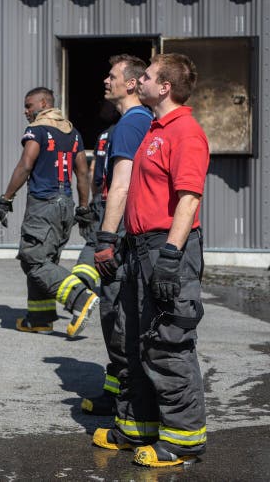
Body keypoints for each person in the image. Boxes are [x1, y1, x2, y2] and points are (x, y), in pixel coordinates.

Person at [92, 53, 209, 468]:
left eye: (148, 75)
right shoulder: (154, 128)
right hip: (141, 246)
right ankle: (138, 426)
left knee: (168, 343)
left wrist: (172, 255)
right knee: (139, 339)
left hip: (166, 245)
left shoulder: (186, 132)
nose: (139, 79)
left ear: (165, 87)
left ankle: (183, 441)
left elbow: (189, 198)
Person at [80, 55, 153, 416]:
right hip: (125, 226)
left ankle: (130, 400)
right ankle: (117, 391)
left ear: (131, 83)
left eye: (112, 77)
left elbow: (120, 188)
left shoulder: (131, 124)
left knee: (117, 313)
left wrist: (106, 239)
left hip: (122, 229)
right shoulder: (134, 122)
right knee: (117, 313)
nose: (105, 81)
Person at [0, 87, 97, 337]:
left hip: (43, 205)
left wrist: (6, 197)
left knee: (34, 260)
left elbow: (25, 164)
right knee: (46, 260)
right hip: (65, 205)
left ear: (43, 103)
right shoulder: (72, 132)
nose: (26, 111)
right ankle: (40, 318)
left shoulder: (37, 130)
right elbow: (82, 173)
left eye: (28, 105)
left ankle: (79, 298)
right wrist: (83, 206)